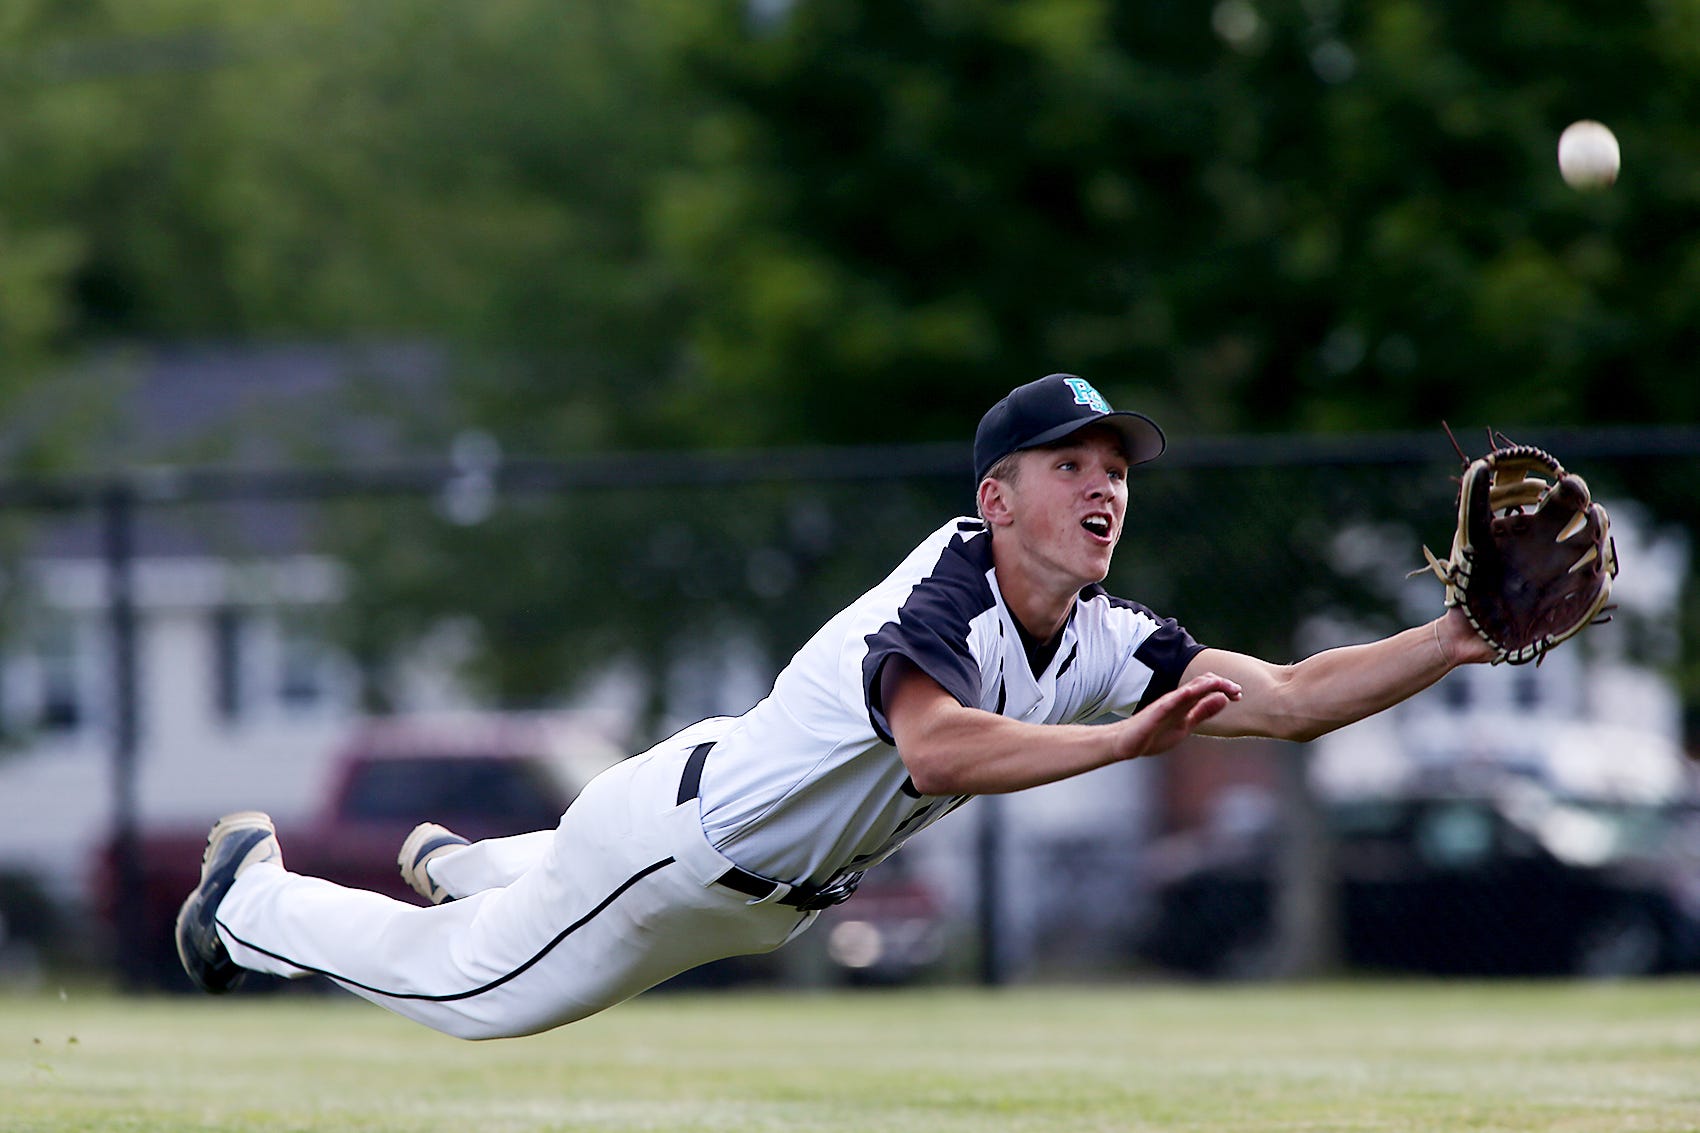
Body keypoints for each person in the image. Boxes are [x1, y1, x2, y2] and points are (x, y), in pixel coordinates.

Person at [175, 372, 1496, 1039]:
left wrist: (1456, 635)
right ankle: (249, 899)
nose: (1106, 486)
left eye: (1117, 467)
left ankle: (469, 865)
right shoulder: (941, 598)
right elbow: (938, 745)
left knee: (539, 900)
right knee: (474, 994)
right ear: (996, 497)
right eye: (1071, 464)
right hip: (671, 857)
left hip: (733, 863)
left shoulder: (1105, 635)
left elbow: (1290, 699)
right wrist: (1118, 742)